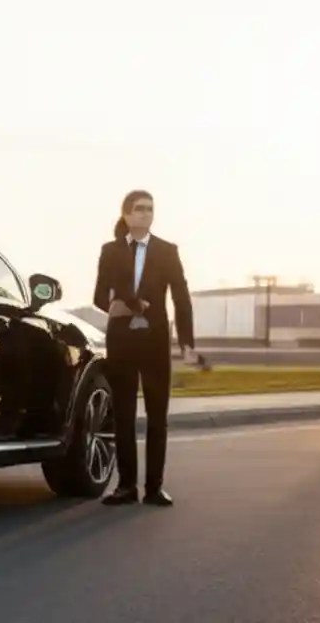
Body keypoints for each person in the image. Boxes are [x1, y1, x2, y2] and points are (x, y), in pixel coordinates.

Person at [91, 190, 195, 507]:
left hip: (155, 341)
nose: (145, 214)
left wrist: (187, 343)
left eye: (150, 209)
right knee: (122, 414)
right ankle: (125, 486)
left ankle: (154, 487)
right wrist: (125, 305)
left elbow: (180, 297)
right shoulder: (110, 251)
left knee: (156, 416)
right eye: (139, 209)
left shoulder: (167, 251)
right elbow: (98, 296)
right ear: (126, 214)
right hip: (122, 341)